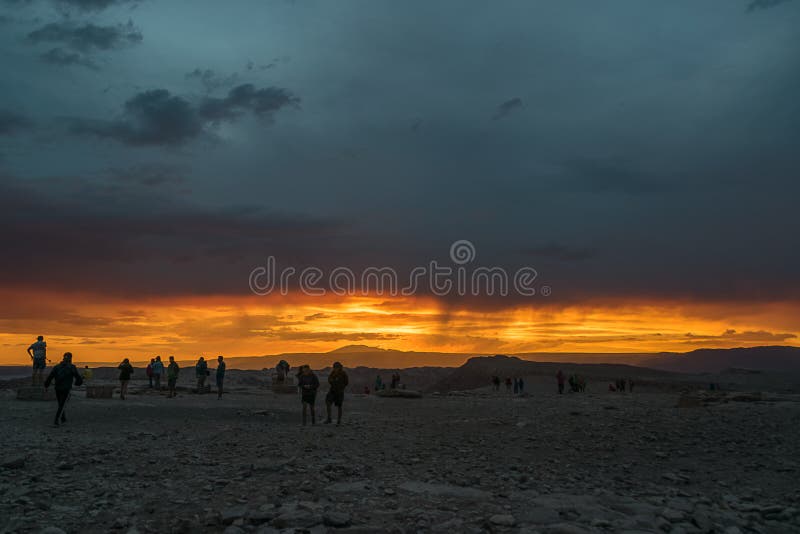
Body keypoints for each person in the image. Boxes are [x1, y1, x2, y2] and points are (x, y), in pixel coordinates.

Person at [44, 352, 83, 426]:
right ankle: (56, 420)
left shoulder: (56, 367)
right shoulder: (72, 367)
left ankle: (63, 418)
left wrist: (46, 385)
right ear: (70, 358)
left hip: (57, 388)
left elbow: (50, 377)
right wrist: (77, 383)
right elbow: (78, 378)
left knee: (60, 403)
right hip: (66, 388)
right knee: (62, 404)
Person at [325, 361, 349, 426]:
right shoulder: (333, 373)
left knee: (339, 406)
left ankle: (339, 420)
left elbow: (346, 382)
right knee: (328, 402)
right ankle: (329, 418)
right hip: (332, 390)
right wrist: (332, 381)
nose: (335, 368)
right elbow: (329, 379)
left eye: (336, 367)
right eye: (334, 367)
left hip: (339, 391)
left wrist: (341, 386)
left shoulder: (343, 373)